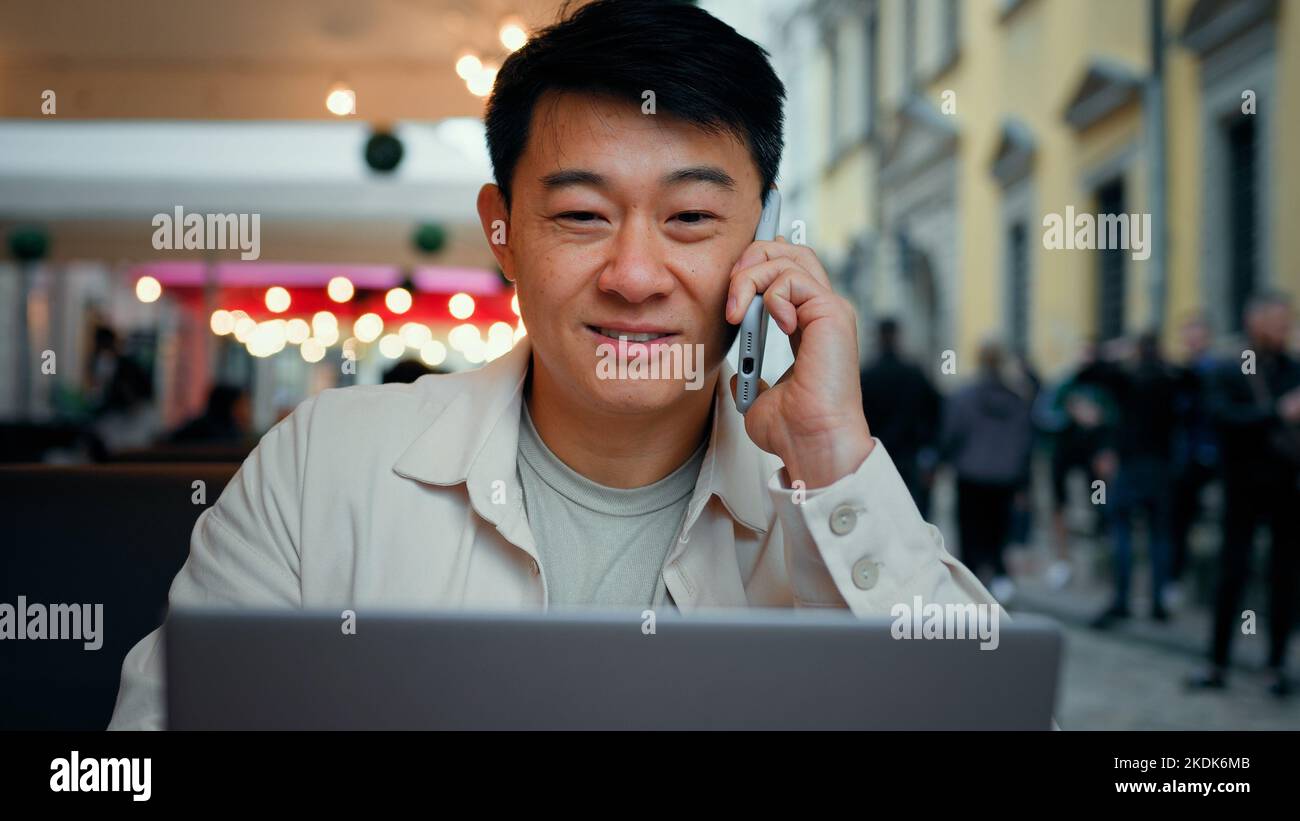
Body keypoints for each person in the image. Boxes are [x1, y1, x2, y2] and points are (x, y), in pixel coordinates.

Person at [108, 0, 998, 729]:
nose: (636, 276)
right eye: (581, 216)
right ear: (502, 230)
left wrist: (837, 461)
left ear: (760, 236)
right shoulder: (322, 466)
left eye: (690, 218)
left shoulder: (824, 492)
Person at [1188, 292, 1300, 697]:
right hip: (1242, 486)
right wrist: (1277, 412)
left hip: (1287, 486)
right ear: (1255, 321)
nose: (1285, 328)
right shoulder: (1229, 367)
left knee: (1284, 576)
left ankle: (1275, 665)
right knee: (1232, 572)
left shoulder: (1292, 367)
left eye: (1288, 321)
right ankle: (1217, 662)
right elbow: (1221, 419)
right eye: (1278, 320)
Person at [1089, 333, 1181, 628]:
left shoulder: (1129, 380)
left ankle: (1121, 600)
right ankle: (1158, 602)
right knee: (1159, 535)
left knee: (1123, 531)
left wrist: (1113, 353)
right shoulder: (1170, 380)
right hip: (1161, 464)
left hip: (1132, 464)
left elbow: (1094, 372)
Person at [938, 340, 1033, 603]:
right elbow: (1026, 443)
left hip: (971, 474)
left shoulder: (964, 396)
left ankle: (971, 587)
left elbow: (952, 433)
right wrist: (1023, 483)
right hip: (1005, 477)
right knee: (998, 532)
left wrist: (943, 460)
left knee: (970, 532)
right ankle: (999, 580)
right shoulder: (1017, 399)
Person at [858, 318, 943, 518]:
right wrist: (932, 452)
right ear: (897, 337)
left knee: (880, 515)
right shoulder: (914, 374)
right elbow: (935, 412)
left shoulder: (867, 375)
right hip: (911, 455)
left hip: (876, 455)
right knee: (914, 514)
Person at [1167, 314, 1220, 604]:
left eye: (1196, 334)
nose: (1191, 340)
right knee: (1180, 521)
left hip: (1204, 456)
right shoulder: (1184, 371)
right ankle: (1176, 580)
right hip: (1185, 456)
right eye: (1188, 334)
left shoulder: (1212, 370)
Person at [168, 384, 251, 444]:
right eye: (242, 405)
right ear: (227, 406)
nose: (247, 411)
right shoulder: (226, 438)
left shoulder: (198, 424)